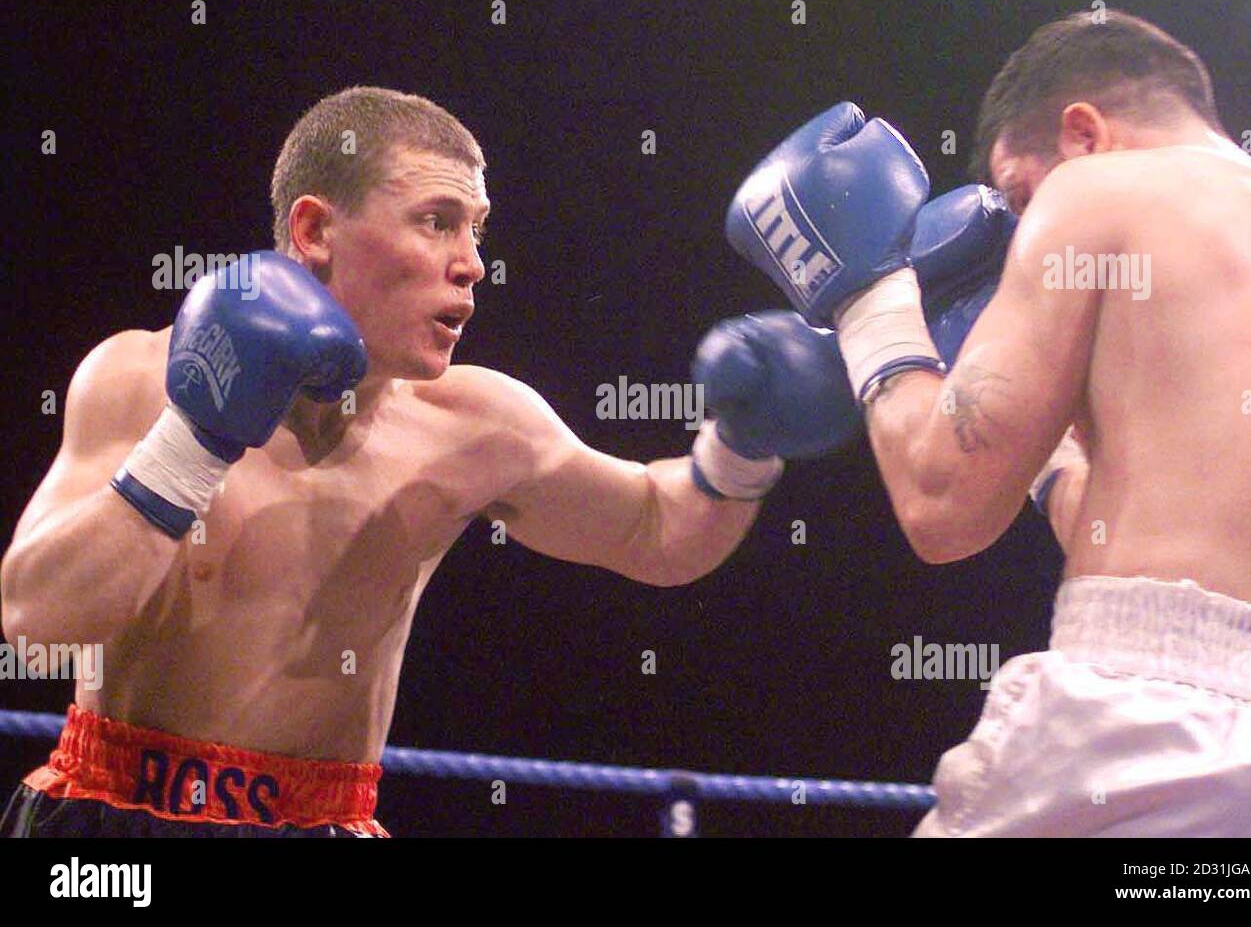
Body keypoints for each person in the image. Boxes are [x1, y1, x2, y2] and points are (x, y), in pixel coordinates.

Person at [0, 86, 860, 837]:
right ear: (314, 229)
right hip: (110, 821)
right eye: (437, 221)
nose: (472, 264)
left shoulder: (478, 424)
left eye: (478, 230)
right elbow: (35, 630)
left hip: (325, 822)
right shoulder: (139, 380)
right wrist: (194, 442)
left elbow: (657, 529)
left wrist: (743, 445)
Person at [726, 9, 1251, 835]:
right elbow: (1182, 533)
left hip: (1147, 733)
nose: (1023, 228)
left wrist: (868, 304)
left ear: (1082, 132)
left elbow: (943, 503)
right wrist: (1043, 456)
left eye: (1020, 196)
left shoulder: (1095, 189)